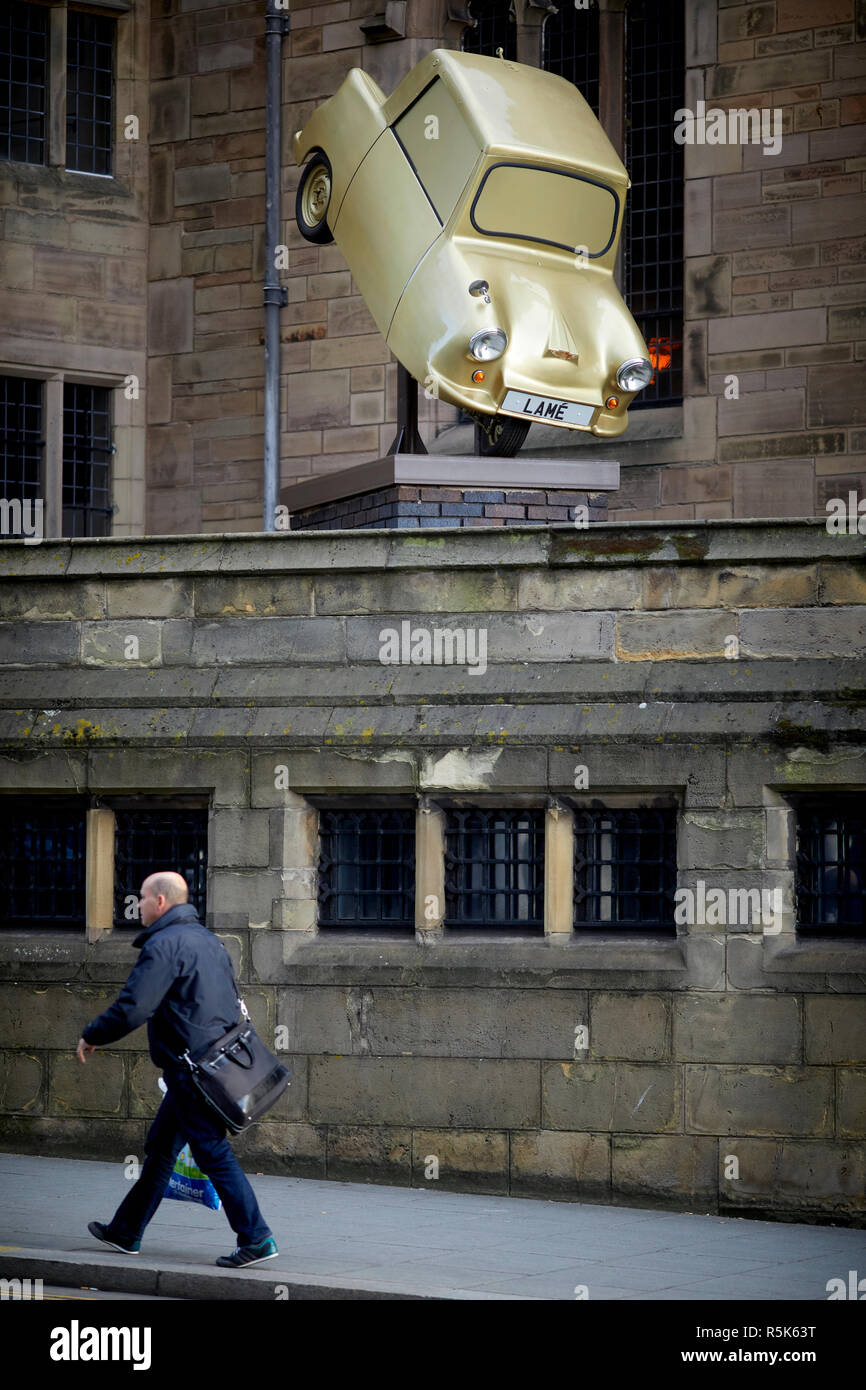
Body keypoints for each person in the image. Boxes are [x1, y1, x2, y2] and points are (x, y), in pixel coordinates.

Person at [77, 870, 278, 1268]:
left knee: (211, 1151)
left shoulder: (165, 945)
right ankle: (126, 1231)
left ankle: (257, 1238)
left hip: (191, 1071)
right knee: (161, 1149)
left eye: (142, 898)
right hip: (208, 1065)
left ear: (161, 902)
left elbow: (134, 1006)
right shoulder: (208, 941)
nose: (137, 905)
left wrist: (93, 1034)